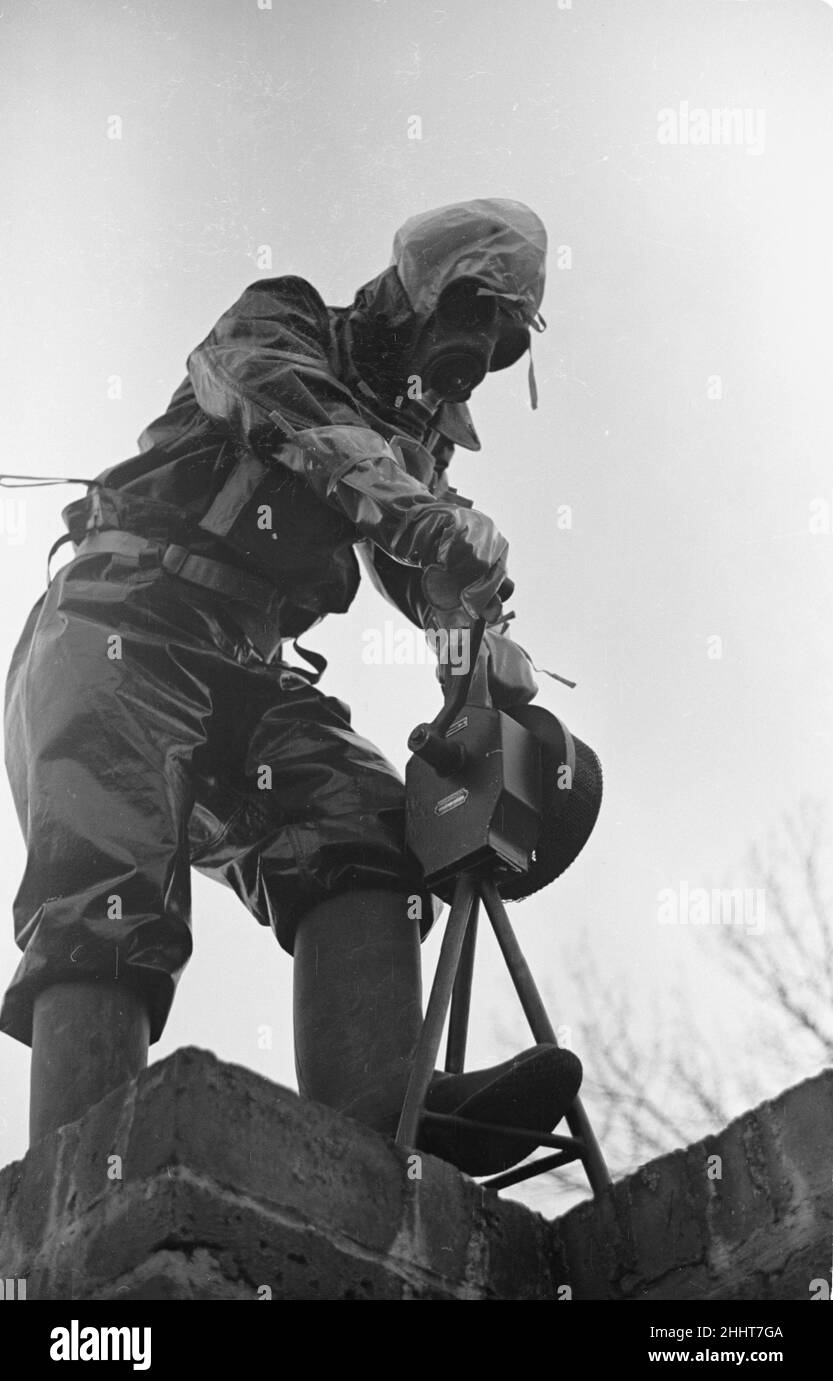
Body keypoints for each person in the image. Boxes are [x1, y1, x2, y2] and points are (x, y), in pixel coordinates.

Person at [1, 198, 582, 1174]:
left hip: (250, 668)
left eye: (503, 339)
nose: (480, 348)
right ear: (422, 284)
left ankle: (375, 1118)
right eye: (476, 312)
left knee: (355, 816)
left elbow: (427, 573)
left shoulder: (409, 444)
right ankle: (79, 1177)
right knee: (109, 879)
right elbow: (288, 409)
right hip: (123, 626)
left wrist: (477, 653)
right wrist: (421, 514)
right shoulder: (284, 322)